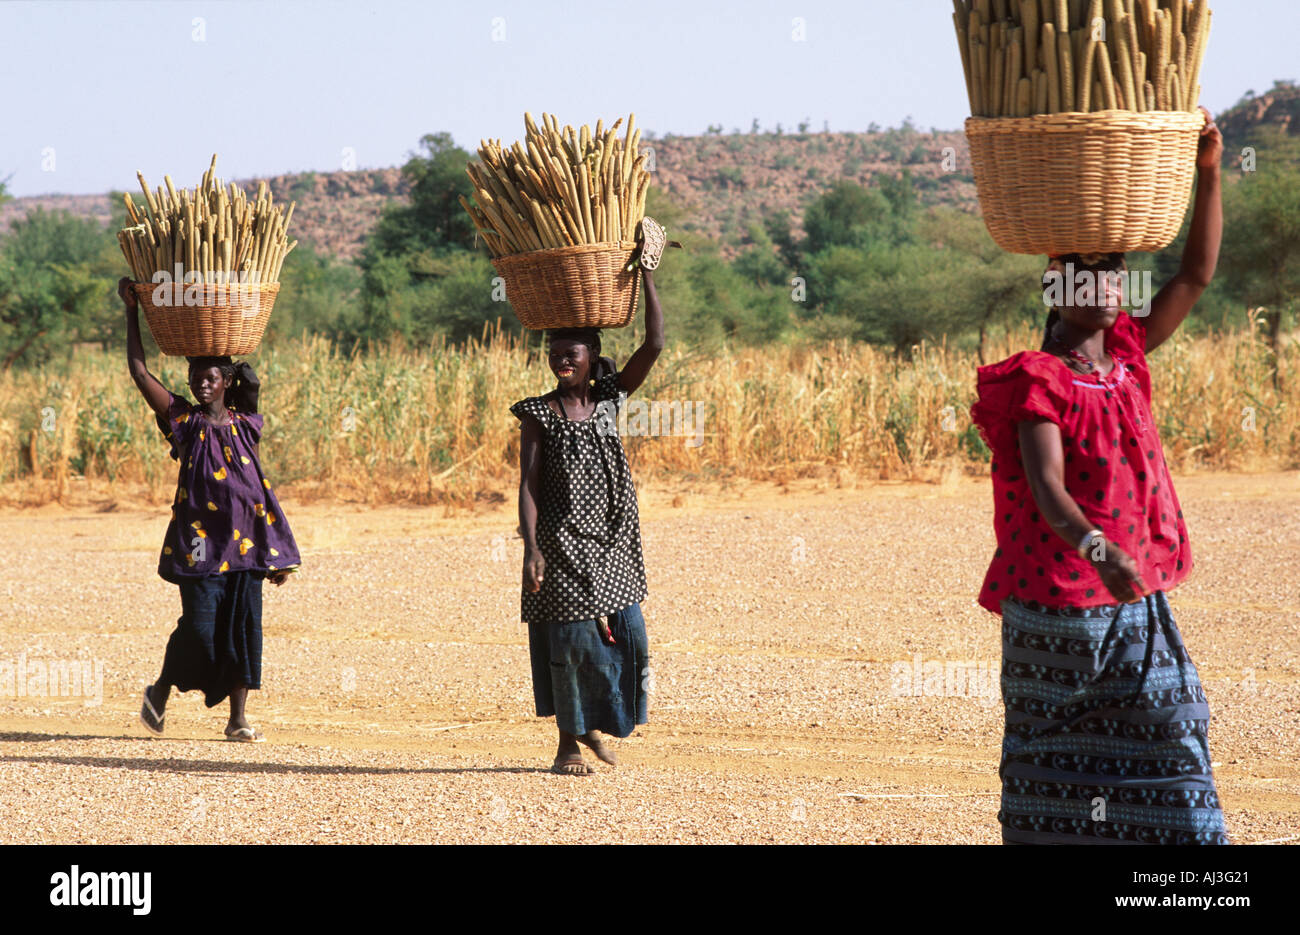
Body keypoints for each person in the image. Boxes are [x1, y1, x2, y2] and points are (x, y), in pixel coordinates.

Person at [969, 109, 1228, 844]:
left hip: (1131, 598)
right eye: (1092, 271)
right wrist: (1097, 548)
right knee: (1050, 769)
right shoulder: (1037, 382)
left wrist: (1209, 172)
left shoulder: (1128, 357)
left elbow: (1198, 272)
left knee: (1175, 734)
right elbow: (1049, 490)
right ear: (1056, 287)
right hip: (1056, 613)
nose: (1112, 282)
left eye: (1115, 268)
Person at [120, 277, 301, 742]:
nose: (203, 382)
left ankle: (238, 718)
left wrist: (275, 554)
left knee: (244, 629)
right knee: (199, 629)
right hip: (200, 546)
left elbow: (259, 493)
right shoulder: (183, 421)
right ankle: (159, 689)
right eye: (197, 376)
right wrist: (131, 310)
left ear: (226, 382)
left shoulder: (246, 424)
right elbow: (140, 373)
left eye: (212, 377)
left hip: (244, 547)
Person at [511, 266, 664, 775]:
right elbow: (528, 484)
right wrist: (531, 547)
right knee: (570, 646)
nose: (560, 361)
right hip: (559, 542)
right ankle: (567, 745)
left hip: (615, 542)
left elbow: (655, 344)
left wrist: (646, 276)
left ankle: (595, 724)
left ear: (591, 357)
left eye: (570, 354)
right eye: (554, 354)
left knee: (630, 637)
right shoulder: (539, 413)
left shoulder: (609, 399)